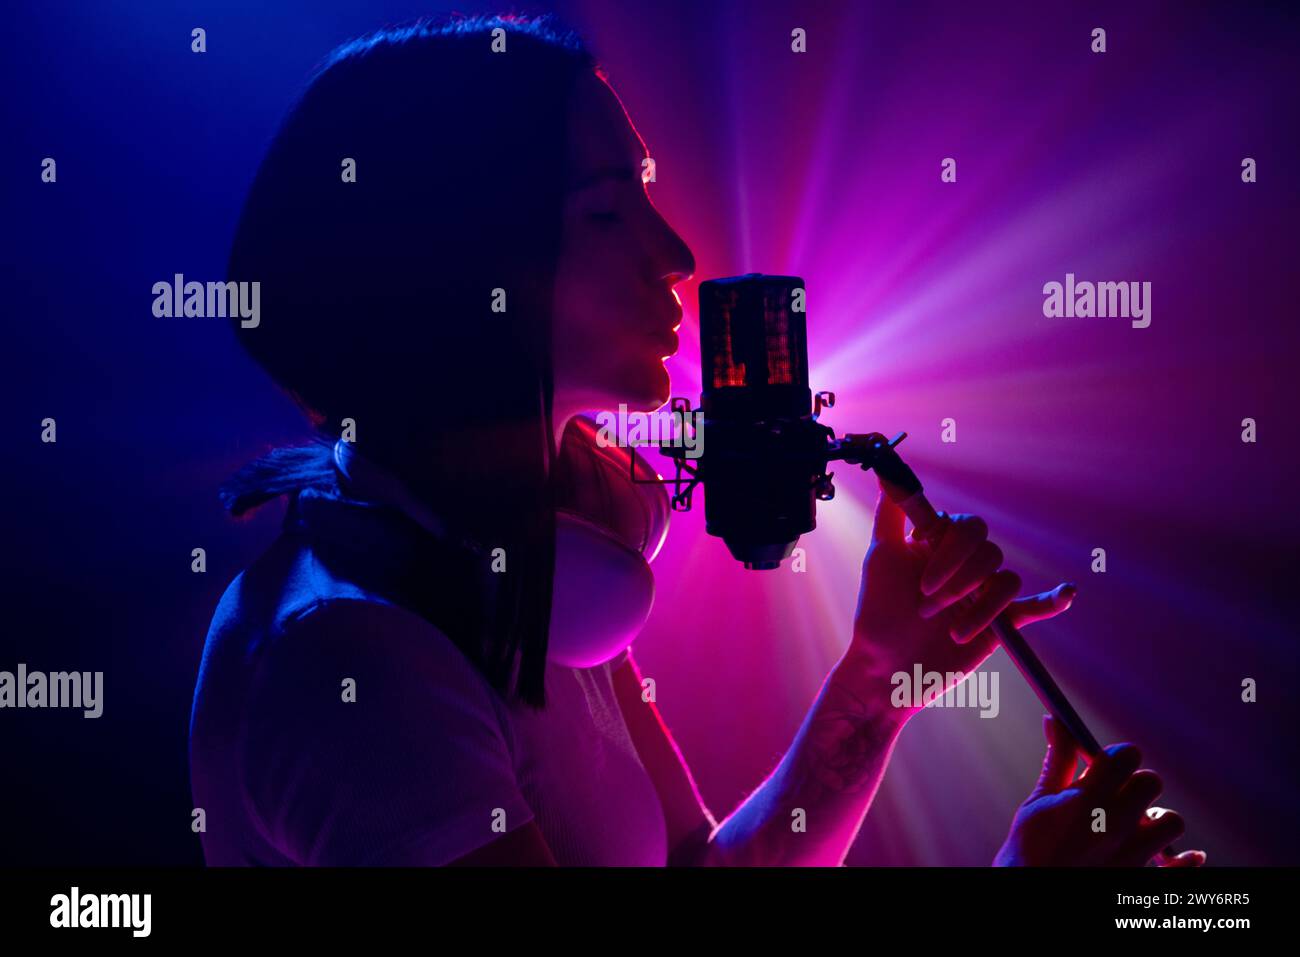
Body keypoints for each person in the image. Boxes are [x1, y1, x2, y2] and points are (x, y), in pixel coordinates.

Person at [188, 14, 1204, 867]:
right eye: (604, 212)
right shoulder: (353, 671)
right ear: (464, 269)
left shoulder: (525, 563)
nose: (673, 255)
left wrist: (875, 680)